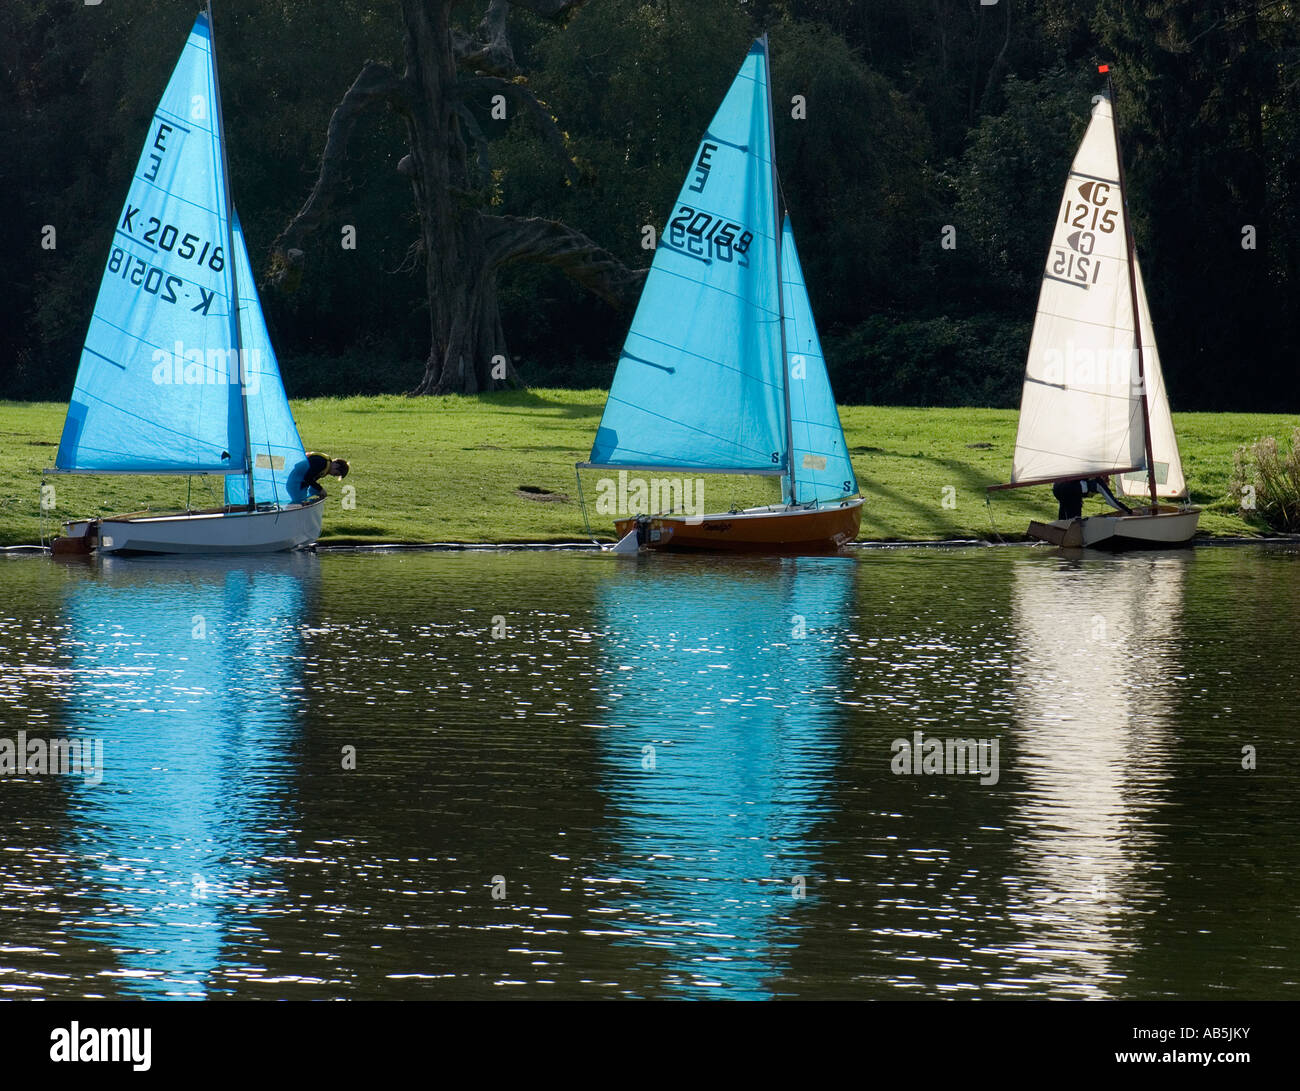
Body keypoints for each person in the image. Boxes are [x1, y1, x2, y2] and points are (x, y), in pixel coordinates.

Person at [1052, 475, 1132, 521]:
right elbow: (1112, 502)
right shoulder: (1098, 481)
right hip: (1070, 490)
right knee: (1074, 521)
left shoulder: (1088, 475)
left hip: (1057, 486)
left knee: (1064, 514)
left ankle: (1058, 533)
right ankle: (1073, 537)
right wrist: (1129, 511)